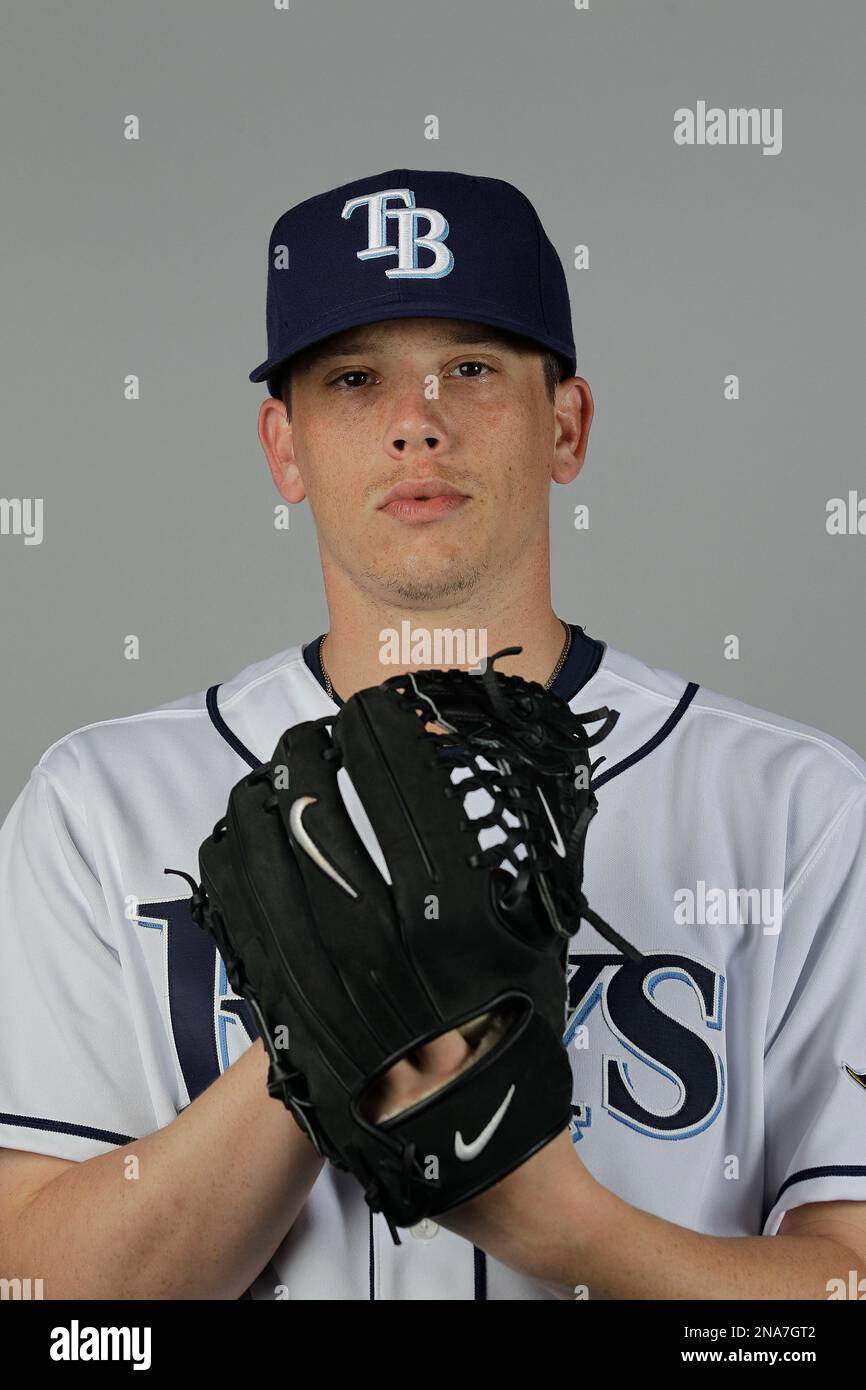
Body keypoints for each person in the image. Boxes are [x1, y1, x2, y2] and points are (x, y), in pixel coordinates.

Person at [1, 168, 865, 1301]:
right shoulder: (99, 803)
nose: (416, 422)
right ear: (286, 449)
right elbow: (51, 1315)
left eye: (469, 368)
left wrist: (567, 1232)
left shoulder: (795, 807)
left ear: (566, 424)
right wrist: (324, 1039)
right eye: (354, 379)